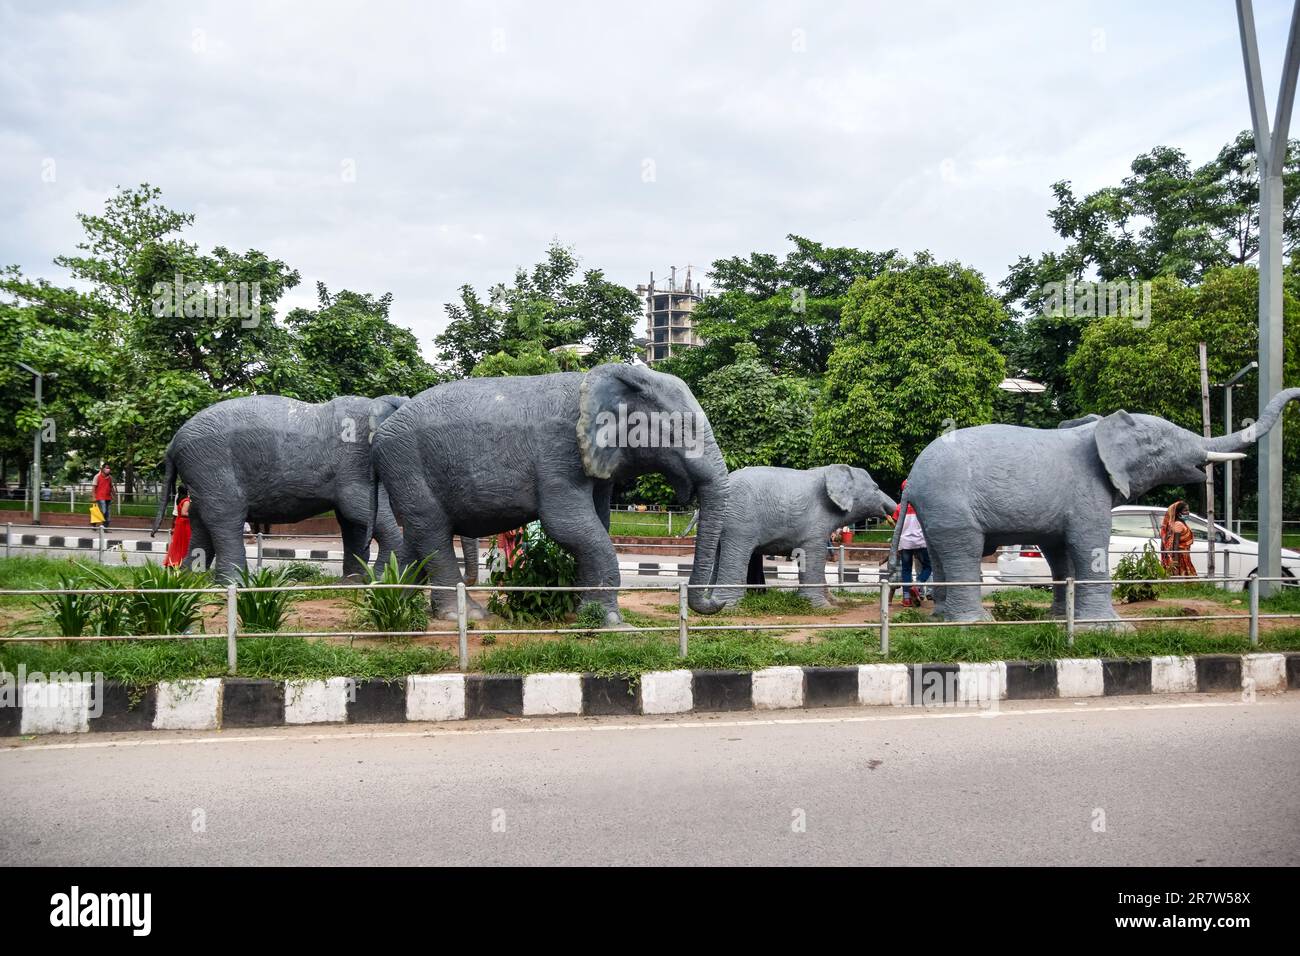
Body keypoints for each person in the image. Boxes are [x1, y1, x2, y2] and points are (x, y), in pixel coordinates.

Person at [887, 480, 932, 607]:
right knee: (928, 566)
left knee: (906, 570)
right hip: (920, 542)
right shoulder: (921, 506)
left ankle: (906, 598)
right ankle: (917, 586)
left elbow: (897, 527)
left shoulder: (899, 507)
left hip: (905, 543)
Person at [1160, 500, 1196, 577]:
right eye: (1185, 510)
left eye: (1188, 510)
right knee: (1181, 577)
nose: (1188, 512)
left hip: (1184, 555)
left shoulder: (1182, 523)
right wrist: (1176, 561)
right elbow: (1175, 543)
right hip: (1180, 556)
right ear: (1178, 513)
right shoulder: (1178, 524)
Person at [164, 485, 192, 569]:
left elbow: (177, 513)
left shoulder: (179, 499)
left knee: (177, 543)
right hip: (184, 524)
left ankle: (174, 560)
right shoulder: (186, 501)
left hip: (179, 523)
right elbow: (184, 513)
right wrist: (193, 515)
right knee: (185, 542)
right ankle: (181, 560)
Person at [92, 463, 114, 529]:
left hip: (108, 497)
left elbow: (111, 487)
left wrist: (114, 496)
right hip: (100, 497)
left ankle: (104, 526)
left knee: (108, 512)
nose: (108, 469)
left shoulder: (110, 477)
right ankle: (103, 526)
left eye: (109, 468)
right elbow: (93, 488)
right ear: (102, 469)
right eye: (106, 468)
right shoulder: (97, 476)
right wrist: (93, 497)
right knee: (104, 511)